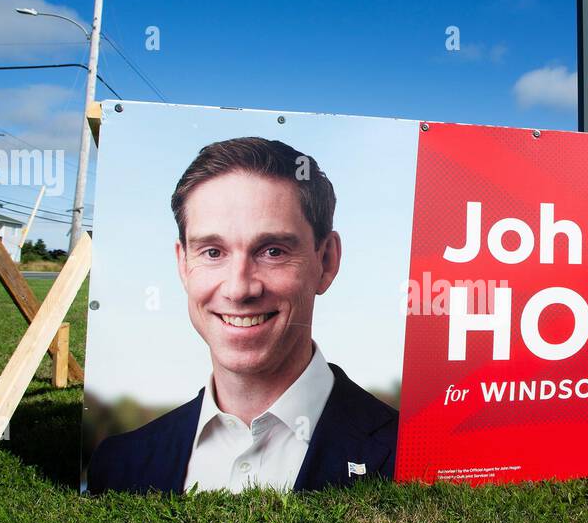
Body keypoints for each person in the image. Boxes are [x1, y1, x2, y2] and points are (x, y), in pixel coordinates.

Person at [87, 137, 398, 494]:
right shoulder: (118, 464)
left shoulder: (407, 459)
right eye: (213, 252)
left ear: (326, 262)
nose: (239, 288)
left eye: (272, 251)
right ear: (183, 264)